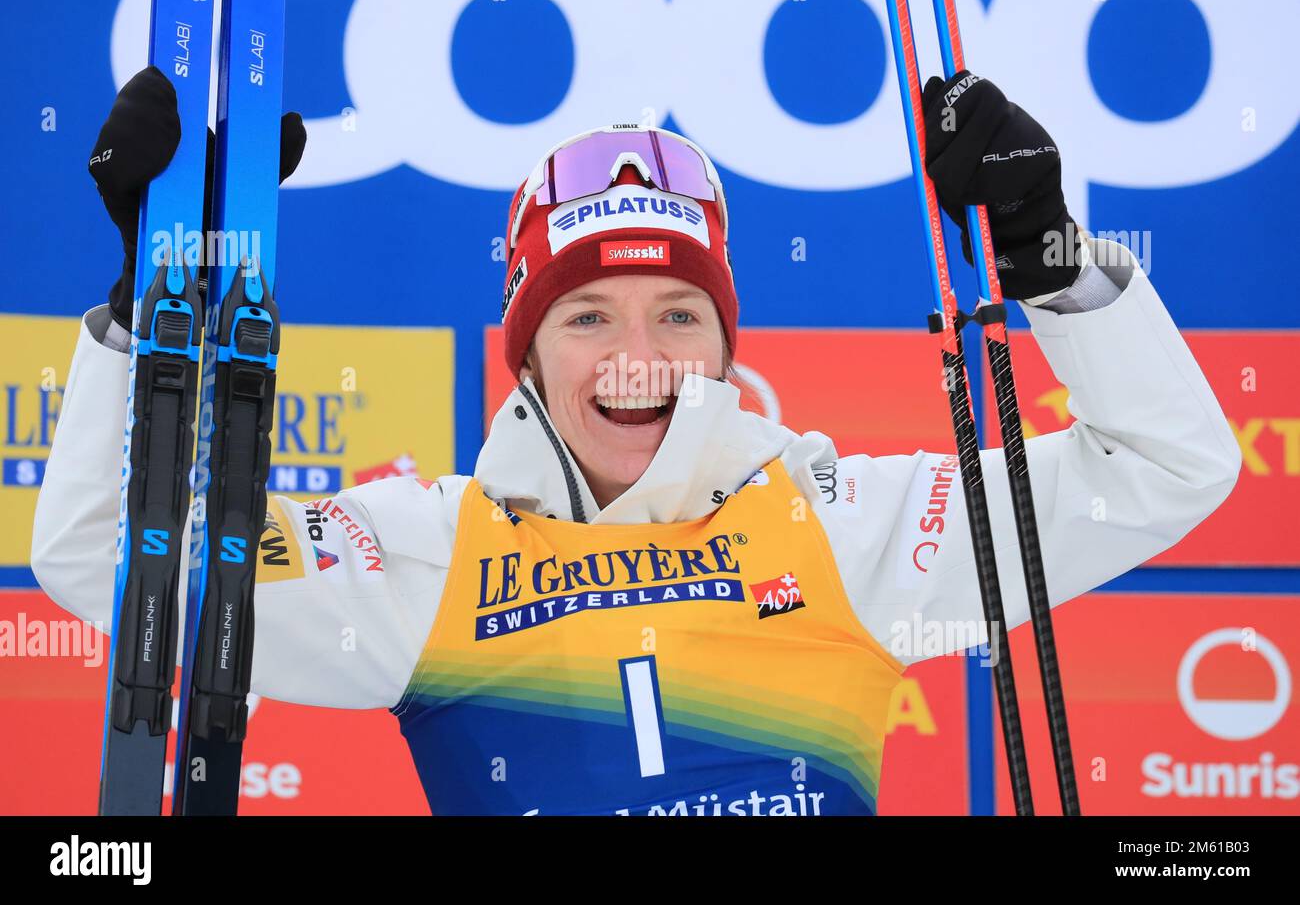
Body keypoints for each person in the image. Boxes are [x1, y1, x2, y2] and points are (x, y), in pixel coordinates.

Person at [32, 68, 1240, 816]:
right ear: (526, 347)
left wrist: (1047, 259)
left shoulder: (841, 521)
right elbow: (103, 553)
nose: (637, 352)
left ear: (723, 344)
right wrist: (151, 318)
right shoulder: (424, 549)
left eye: (679, 313)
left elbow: (1167, 465)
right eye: (585, 314)